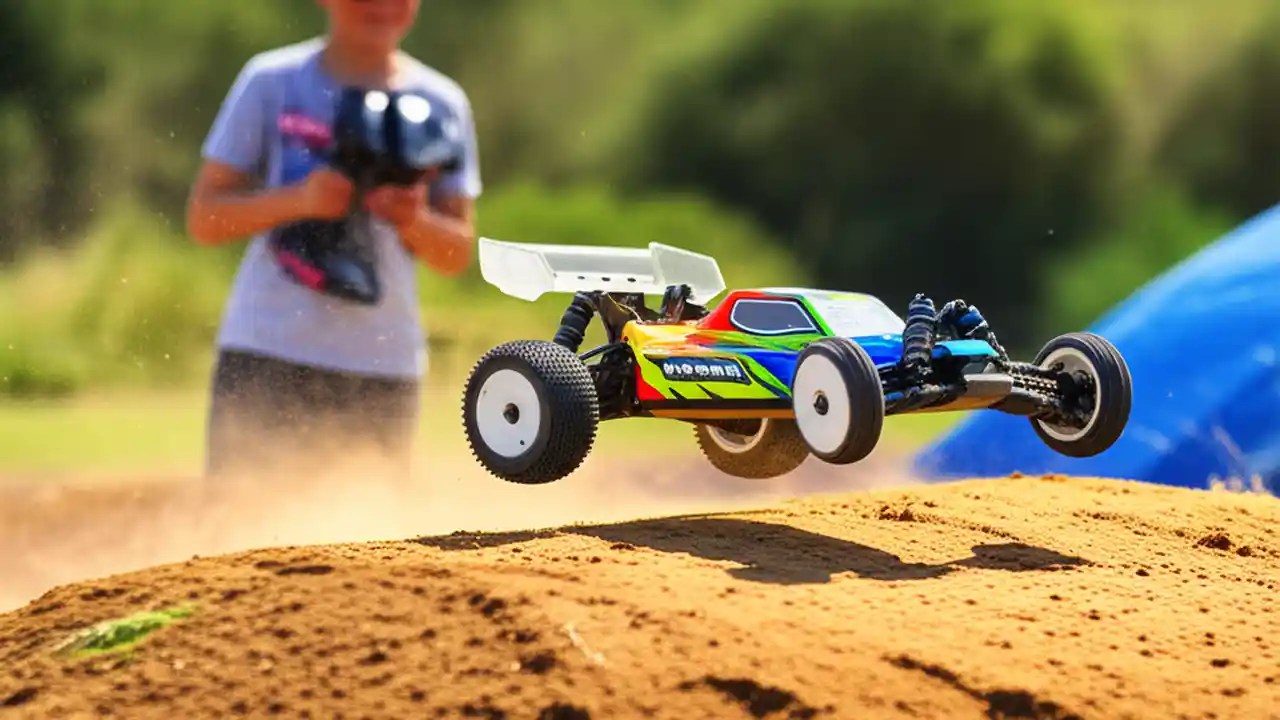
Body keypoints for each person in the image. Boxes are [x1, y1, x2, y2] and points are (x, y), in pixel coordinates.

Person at [185, 0, 481, 484]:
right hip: (268, 350)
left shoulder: (444, 101)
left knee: (370, 540)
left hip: (383, 363)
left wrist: (413, 220)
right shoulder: (272, 81)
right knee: (235, 530)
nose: (382, 6)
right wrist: (301, 199)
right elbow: (204, 218)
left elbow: (457, 254)